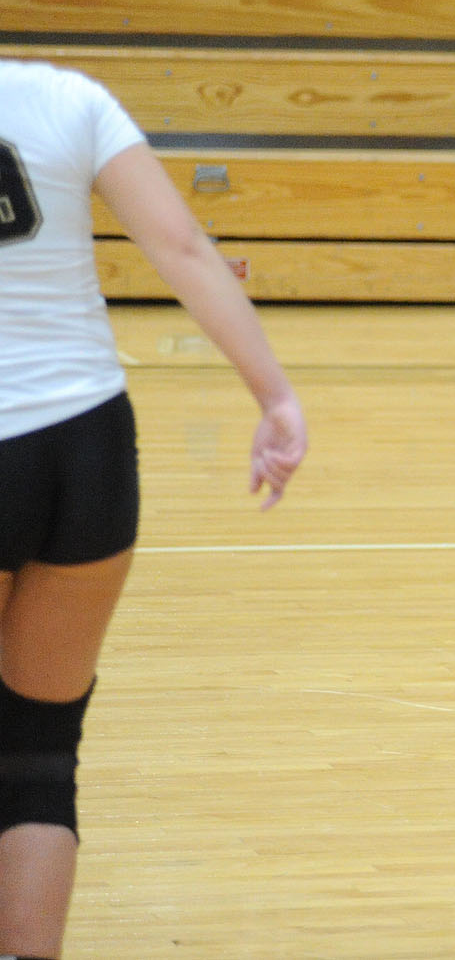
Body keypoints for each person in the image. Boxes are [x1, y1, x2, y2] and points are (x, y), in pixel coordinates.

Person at [0, 59, 307, 960]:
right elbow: (180, 248)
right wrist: (275, 397)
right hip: (85, 446)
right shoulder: (68, 98)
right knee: (38, 754)